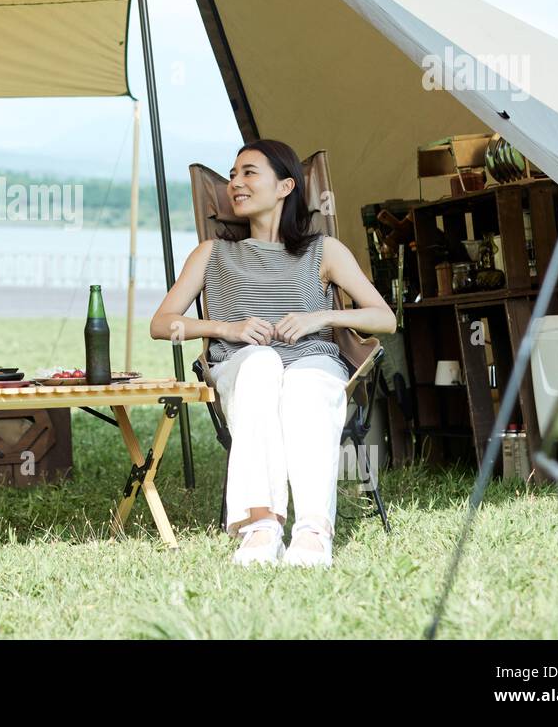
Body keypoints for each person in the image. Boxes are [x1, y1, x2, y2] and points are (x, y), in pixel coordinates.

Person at [150, 140, 395, 568]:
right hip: (243, 368)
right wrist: (226, 328)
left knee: (303, 382)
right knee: (263, 363)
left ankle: (313, 531)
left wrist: (321, 318)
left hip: (311, 362)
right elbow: (162, 324)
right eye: (231, 175)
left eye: (248, 173)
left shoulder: (324, 251)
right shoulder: (212, 254)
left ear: (285, 186)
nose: (235, 184)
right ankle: (261, 525)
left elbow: (383, 319)